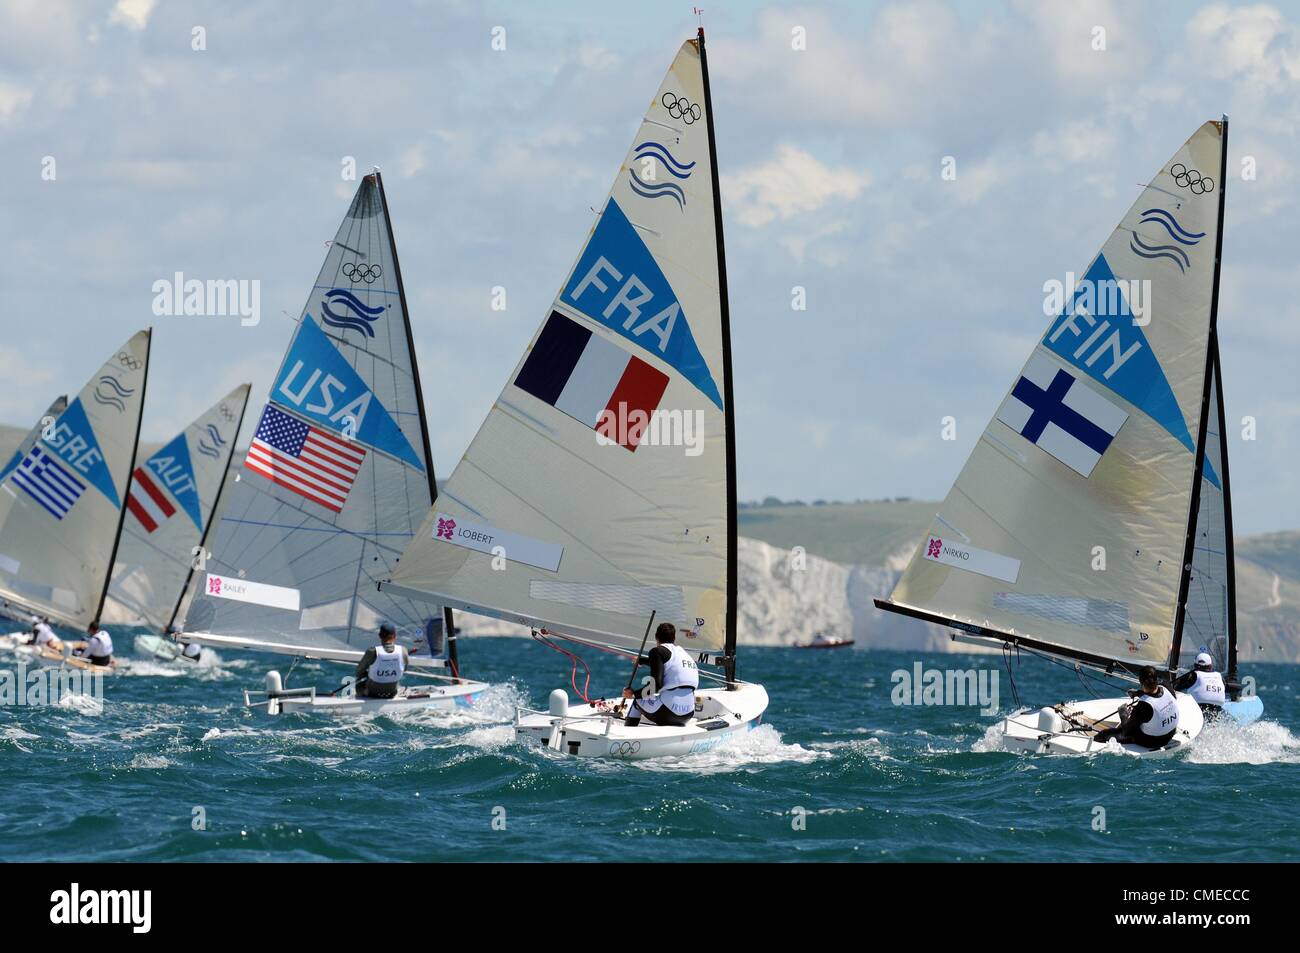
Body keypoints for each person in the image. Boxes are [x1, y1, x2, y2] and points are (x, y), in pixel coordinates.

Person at [622, 622, 698, 727]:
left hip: (668, 712)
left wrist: (633, 694)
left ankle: (627, 735)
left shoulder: (656, 651)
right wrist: (642, 661)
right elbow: (664, 663)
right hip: (688, 714)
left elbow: (656, 686)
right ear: (674, 638)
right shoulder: (683, 654)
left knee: (638, 701)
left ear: (656, 638)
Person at [1093, 666, 1180, 750]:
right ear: (1156, 679)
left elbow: (1127, 731)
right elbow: (1158, 698)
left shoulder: (1144, 706)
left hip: (1154, 741)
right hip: (1171, 733)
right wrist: (1139, 693)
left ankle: (1094, 740)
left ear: (1141, 683)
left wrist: (1123, 712)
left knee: (1105, 734)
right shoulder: (1167, 686)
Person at [353, 623, 407, 699]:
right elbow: (404, 669)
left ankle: (361, 699)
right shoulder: (403, 650)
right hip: (392, 692)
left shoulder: (372, 651)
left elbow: (358, 672)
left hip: (372, 693)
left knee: (359, 683)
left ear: (380, 636)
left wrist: (368, 673)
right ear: (395, 635)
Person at [1174, 652, 1226, 718]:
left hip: (1198, 708)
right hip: (1217, 709)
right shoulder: (1220, 676)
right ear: (1210, 665)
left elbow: (1176, 687)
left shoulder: (1193, 675)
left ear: (1195, 665)